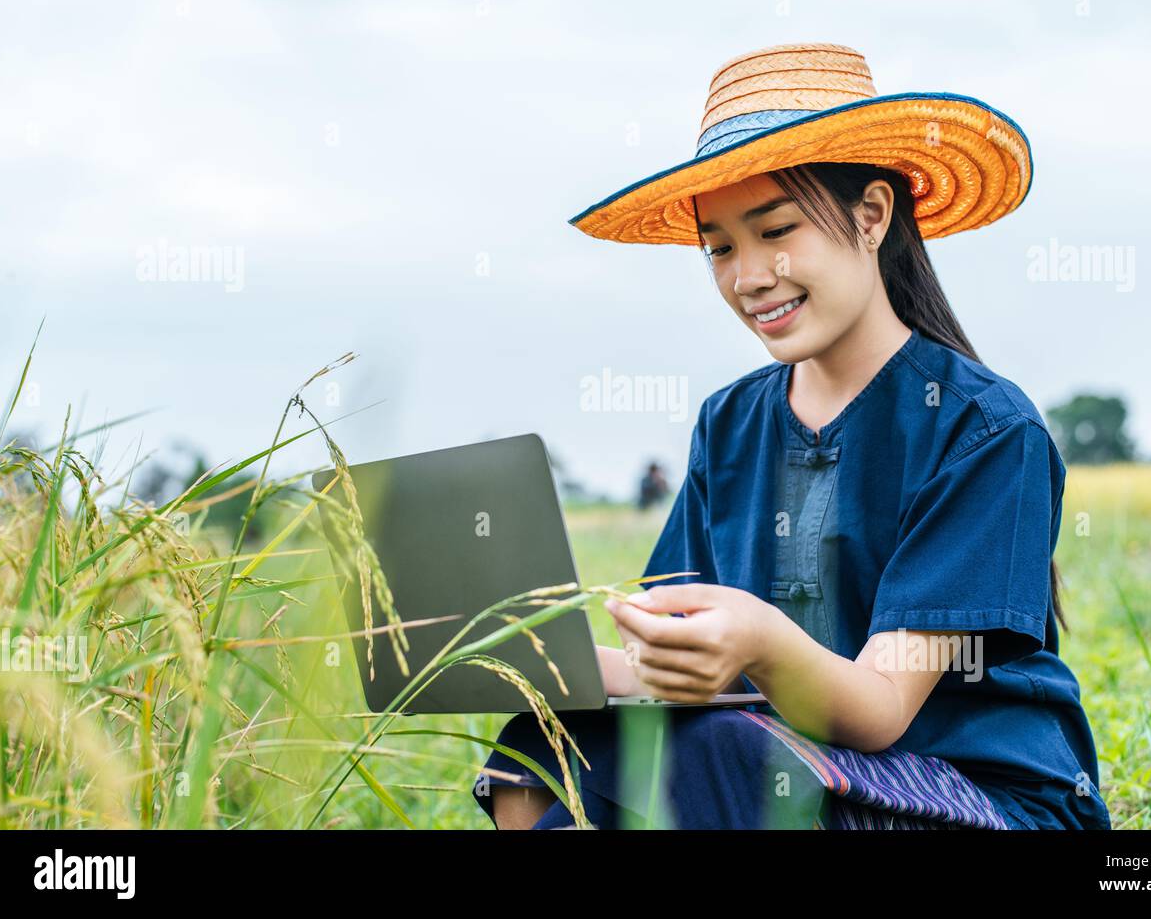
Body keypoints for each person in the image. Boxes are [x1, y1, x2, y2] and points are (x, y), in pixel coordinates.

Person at [472, 42, 1111, 830]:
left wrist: (761, 641)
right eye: (721, 248)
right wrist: (512, 659)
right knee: (544, 741)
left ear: (872, 215)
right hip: (796, 764)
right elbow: (664, 668)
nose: (748, 276)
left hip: (974, 797)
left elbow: (879, 708)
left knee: (719, 752)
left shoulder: (984, 430)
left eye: (775, 229)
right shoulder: (729, 423)